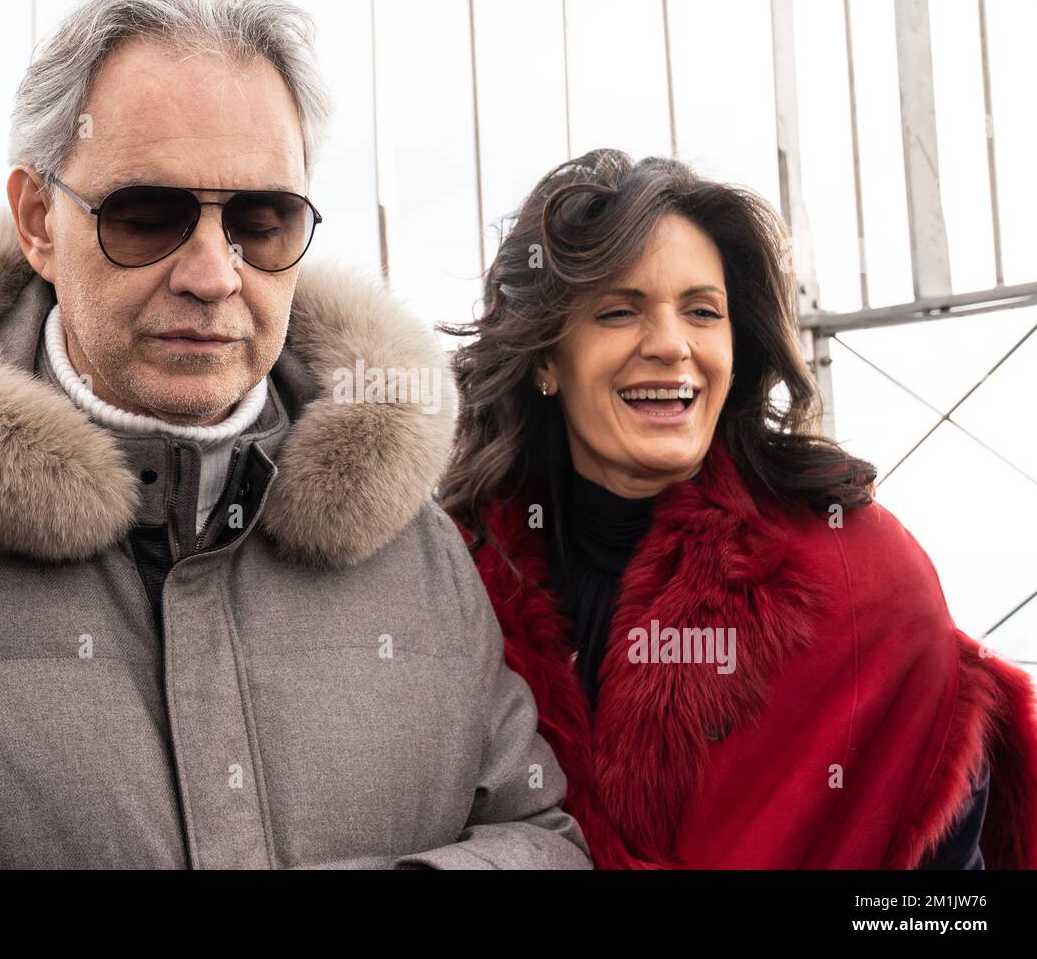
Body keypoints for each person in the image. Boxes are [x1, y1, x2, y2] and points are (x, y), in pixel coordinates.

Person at [0, 0, 590, 871]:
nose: (212, 274)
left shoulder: (415, 551)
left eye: (262, 220)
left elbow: (542, 842)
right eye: (147, 217)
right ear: (38, 222)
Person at [440, 148, 1037, 869]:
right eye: (620, 310)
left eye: (702, 311)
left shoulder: (865, 579)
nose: (671, 345)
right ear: (544, 359)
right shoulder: (451, 586)